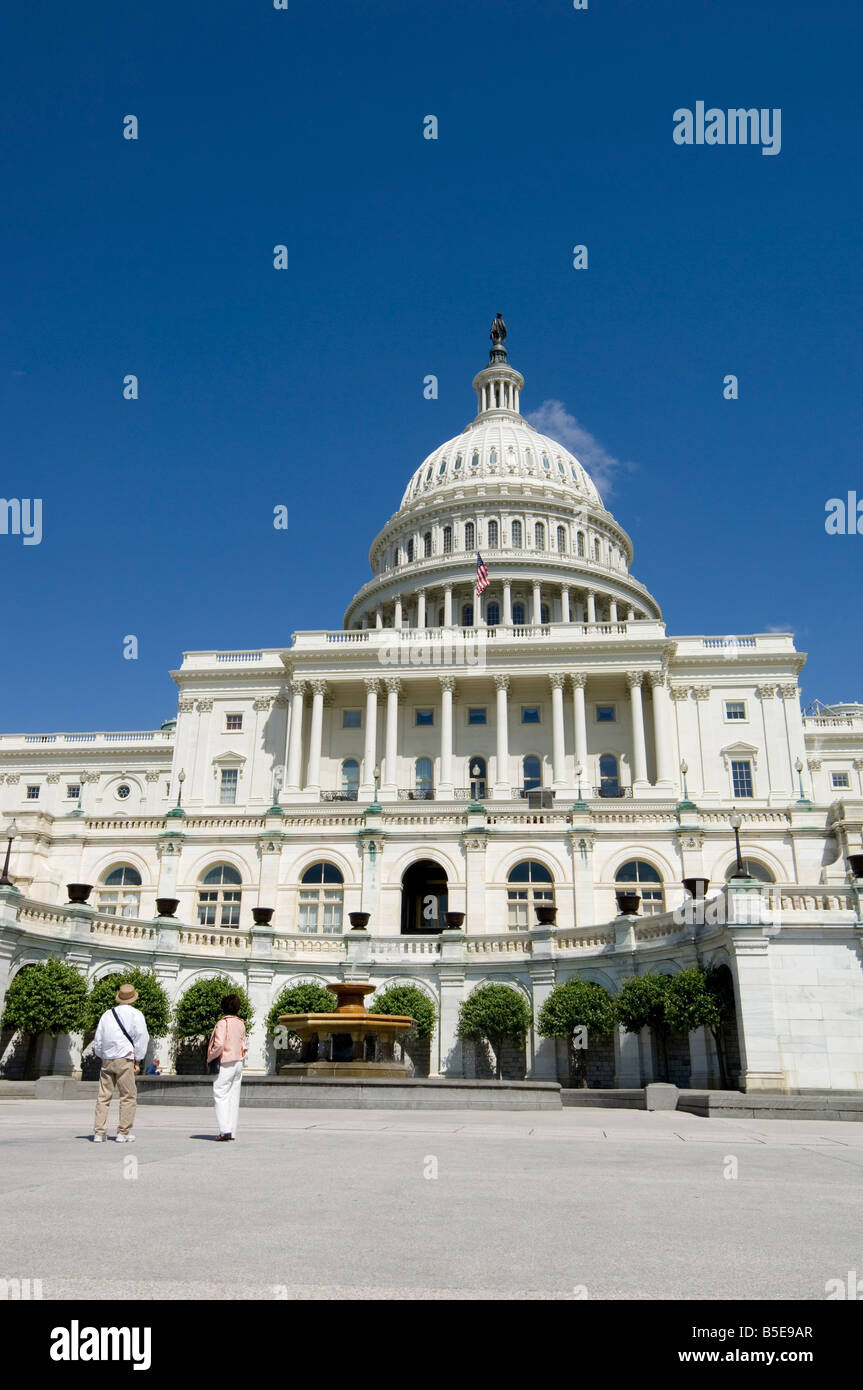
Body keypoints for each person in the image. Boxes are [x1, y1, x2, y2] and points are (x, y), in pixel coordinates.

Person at [92, 982, 149, 1143]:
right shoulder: (136, 1014)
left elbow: (99, 1038)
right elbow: (142, 1037)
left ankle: (99, 1132)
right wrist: (138, 1059)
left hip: (107, 1059)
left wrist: (102, 1055)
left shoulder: (107, 1014)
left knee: (103, 1097)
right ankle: (123, 1132)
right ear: (133, 998)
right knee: (128, 1096)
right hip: (125, 1058)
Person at [206, 995, 247, 1141]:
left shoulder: (223, 1023)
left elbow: (219, 1044)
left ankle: (224, 1130)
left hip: (225, 1062)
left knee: (220, 1094)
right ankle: (232, 1131)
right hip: (238, 1062)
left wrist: (210, 1056)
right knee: (233, 1097)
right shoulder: (241, 1023)